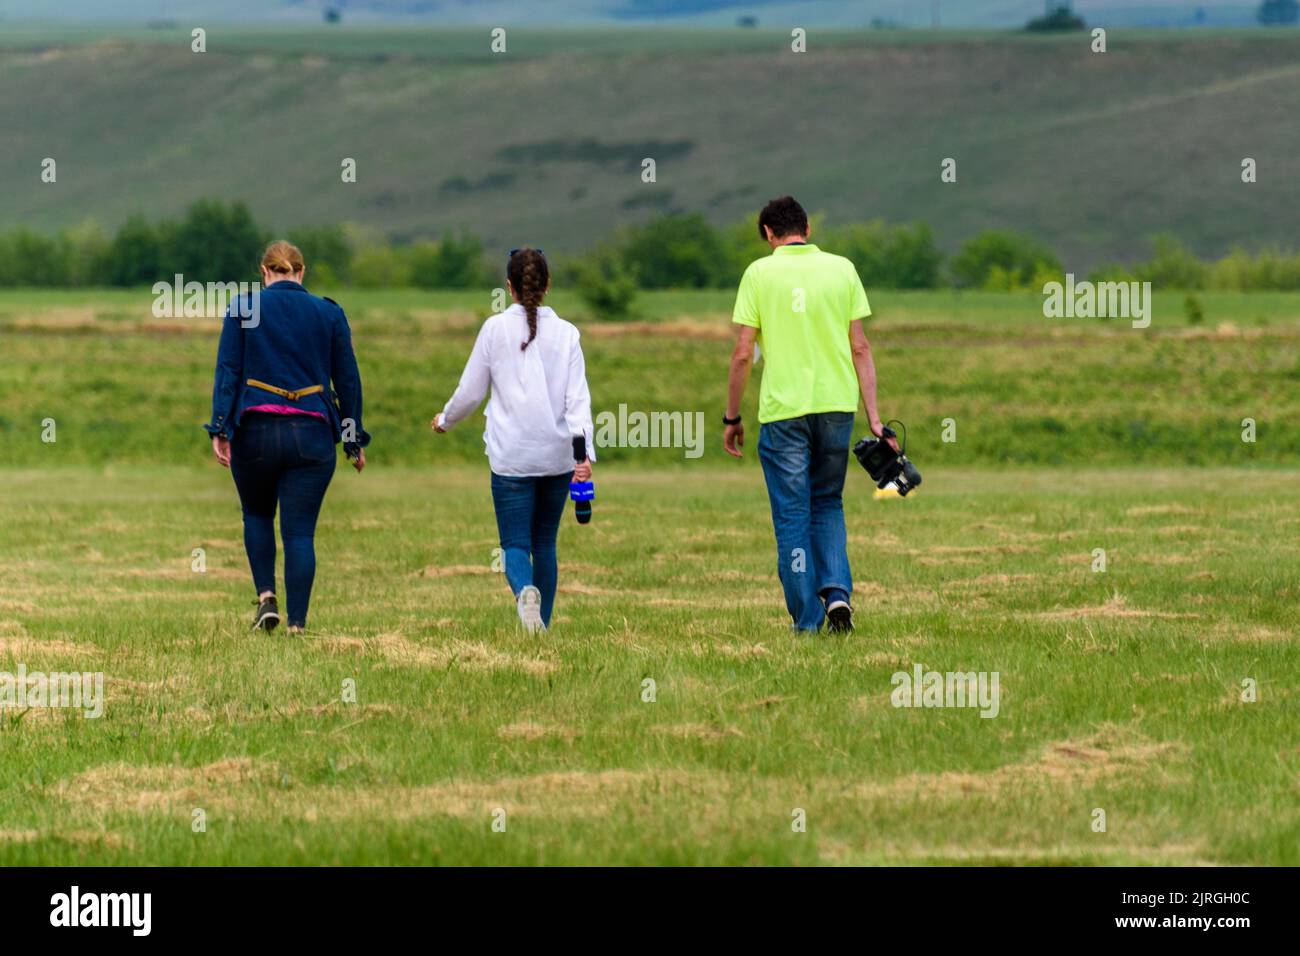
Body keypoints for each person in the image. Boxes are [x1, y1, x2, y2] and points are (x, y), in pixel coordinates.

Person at [723, 196, 897, 634]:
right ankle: (837, 593)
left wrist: (731, 417)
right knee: (828, 503)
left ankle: (807, 620)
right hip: (837, 406)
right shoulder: (842, 269)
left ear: (768, 234)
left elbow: (744, 353)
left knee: (792, 515)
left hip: (784, 412)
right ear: (808, 228)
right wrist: (875, 418)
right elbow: (860, 346)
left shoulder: (759, 274)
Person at [204, 241, 370, 633]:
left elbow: (227, 371)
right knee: (299, 532)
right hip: (311, 435)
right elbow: (347, 381)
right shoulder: (329, 312)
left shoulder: (243, 307)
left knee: (257, 514)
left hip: (255, 433)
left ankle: (266, 598)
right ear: (301, 271)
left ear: (264, 273)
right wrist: (352, 440)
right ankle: (297, 623)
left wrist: (220, 428)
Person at [432, 247, 594, 633]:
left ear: (509, 287)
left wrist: (445, 419)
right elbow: (578, 402)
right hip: (557, 458)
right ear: (548, 285)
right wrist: (583, 455)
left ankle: (525, 593)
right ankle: (544, 626)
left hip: (511, 458)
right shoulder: (568, 334)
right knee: (546, 544)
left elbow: (471, 391)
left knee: (514, 544)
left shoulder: (494, 329)